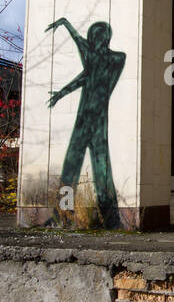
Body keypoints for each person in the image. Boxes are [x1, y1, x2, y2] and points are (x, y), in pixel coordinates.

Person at [46, 18, 125, 228]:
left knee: (102, 174)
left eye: (98, 36)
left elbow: (90, 73)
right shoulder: (95, 59)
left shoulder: (117, 58)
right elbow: (86, 74)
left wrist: (66, 24)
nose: (94, 40)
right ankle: (63, 215)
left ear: (105, 38)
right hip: (83, 123)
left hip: (97, 124)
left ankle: (111, 219)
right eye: (92, 37)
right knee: (70, 169)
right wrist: (61, 93)